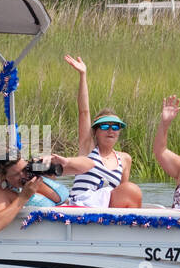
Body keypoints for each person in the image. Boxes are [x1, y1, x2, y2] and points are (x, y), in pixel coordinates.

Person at [58, 55, 142, 207]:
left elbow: (122, 192)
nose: (110, 130)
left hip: (106, 211)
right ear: (95, 131)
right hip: (82, 206)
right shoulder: (88, 149)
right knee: (131, 190)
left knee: (131, 191)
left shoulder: (125, 159)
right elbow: (84, 111)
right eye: (104, 126)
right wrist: (83, 75)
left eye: (115, 127)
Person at [0, 152, 67, 232]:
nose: (23, 175)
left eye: (24, 169)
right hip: (48, 234)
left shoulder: (36, 171)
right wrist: (23, 197)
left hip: (68, 223)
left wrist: (48, 164)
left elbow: (74, 169)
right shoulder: (3, 191)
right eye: (16, 174)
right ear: (4, 177)